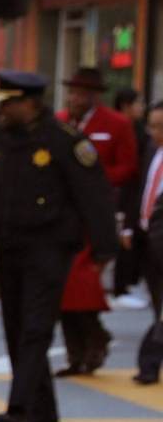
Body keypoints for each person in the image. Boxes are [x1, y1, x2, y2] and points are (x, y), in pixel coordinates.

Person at [0, 71, 119, 422]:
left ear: (30, 103)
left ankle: (18, 408)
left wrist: (105, 247)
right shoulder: (0, 137)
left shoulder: (64, 141)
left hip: (50, 247)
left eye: (9, 102)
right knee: (15, 328)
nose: (3, 109)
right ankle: (43, 412)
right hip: (12, 246)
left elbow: (94, 194)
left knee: (35, 327)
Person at [55, 67, 137, 374]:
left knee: (83, 282)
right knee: (61, 285)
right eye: (72, 92)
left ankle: (94, 340)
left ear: (94, 96)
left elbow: (127, 166)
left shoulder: (115, 124)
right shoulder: (60, 122)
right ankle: (76, 353)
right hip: (64, 214)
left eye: (81, 93)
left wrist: (92, 181)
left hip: (98, 213)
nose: (75, 98)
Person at [112, 87, 152, 306]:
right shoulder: (125, 129)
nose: (141, 109)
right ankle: (122, 285)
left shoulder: (138, 131)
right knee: (125, 238)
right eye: (138, 104)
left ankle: (129, 282)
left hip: (135, 191)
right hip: (125, 191)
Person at [135, 101, 163, 383]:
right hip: (149, 238)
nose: (154, 132)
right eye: (152, 126)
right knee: (158, 304)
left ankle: (149, 363)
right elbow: (141, 189)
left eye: (160, 127)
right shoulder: (152, 151)